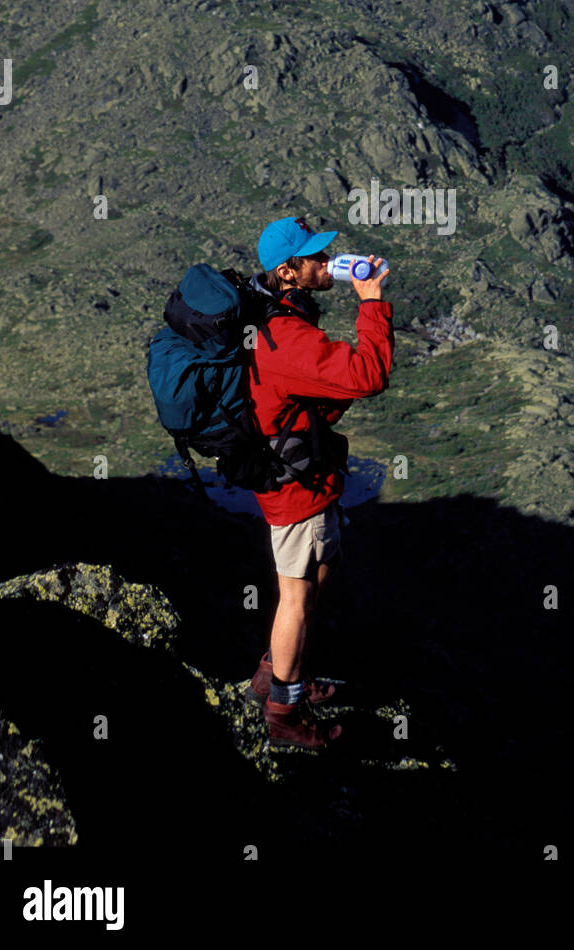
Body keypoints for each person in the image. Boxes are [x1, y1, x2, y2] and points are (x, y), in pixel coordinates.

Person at [246, 216, 394, 748]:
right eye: (315, 258)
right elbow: (368, 377)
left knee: (318, 573)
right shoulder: (284, 333)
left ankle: (279, 672)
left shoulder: (275, 312)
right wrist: (371, 303)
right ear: (288, 271)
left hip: (302, 473)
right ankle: (283, 712)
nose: (326, 262)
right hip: (294, 485)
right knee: (297, 596)